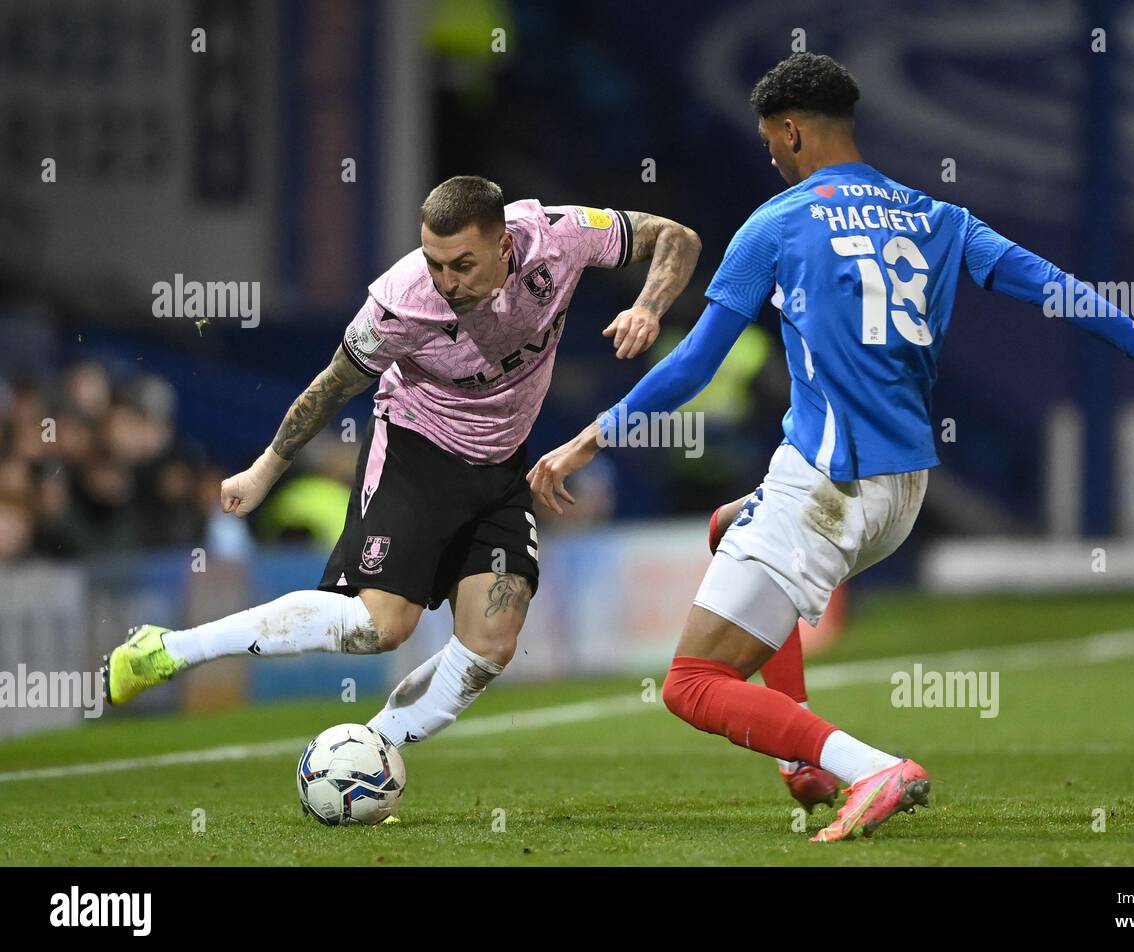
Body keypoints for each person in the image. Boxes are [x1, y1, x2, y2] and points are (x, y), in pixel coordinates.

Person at [526, 54, 1134, 842]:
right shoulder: (939, 219)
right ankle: (797, 743)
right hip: (902, 493)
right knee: (730, 525)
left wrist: (589, 439)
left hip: (827, 485)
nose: (771, 155)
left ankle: (865, 765)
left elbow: (696, 362)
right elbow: (1056, 287)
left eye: (771, 141)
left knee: (692, 684)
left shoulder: (776, 223)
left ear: (791, 131)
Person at [103, 176, 702, 759]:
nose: (445, 281)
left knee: (492, 642)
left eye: (461, 265)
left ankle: (370, 750)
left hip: (499, 467)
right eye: (435, 261)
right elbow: (330, 388)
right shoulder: (401, 302)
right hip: (417, 452)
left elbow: (677, 237)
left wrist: (647, 309)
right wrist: (264, 471)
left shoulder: (559, 236)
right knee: (381, 627)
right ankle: (171, 650)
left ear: (503, 244)